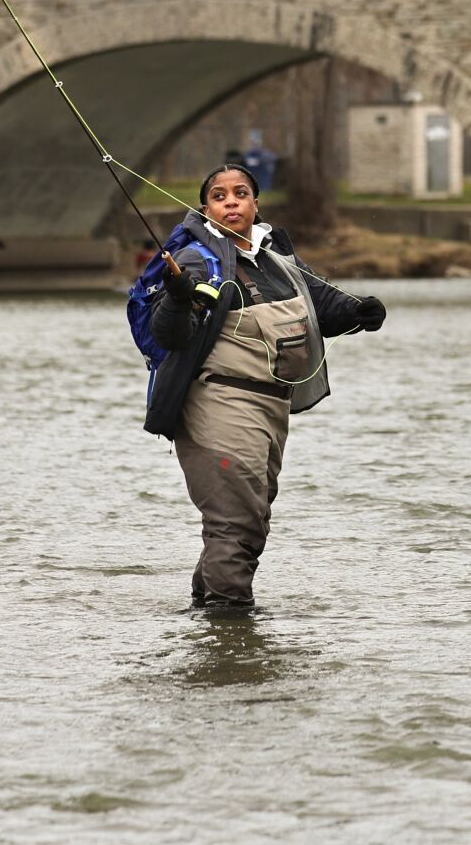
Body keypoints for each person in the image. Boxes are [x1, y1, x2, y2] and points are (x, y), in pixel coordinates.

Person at [147, 162, 386, 613]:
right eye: (220, 196)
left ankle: (205, 616)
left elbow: (319, 302)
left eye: (241, 193)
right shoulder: (199, 261)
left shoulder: (275, 256)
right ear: (205, 209)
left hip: (270, 410)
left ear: (256, 204)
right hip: (217, 403)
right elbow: (170, 336)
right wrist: (179, 296)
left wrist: (359, 312)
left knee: (247, 515)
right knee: (238, 521)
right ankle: (231, 621)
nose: (231, 201)